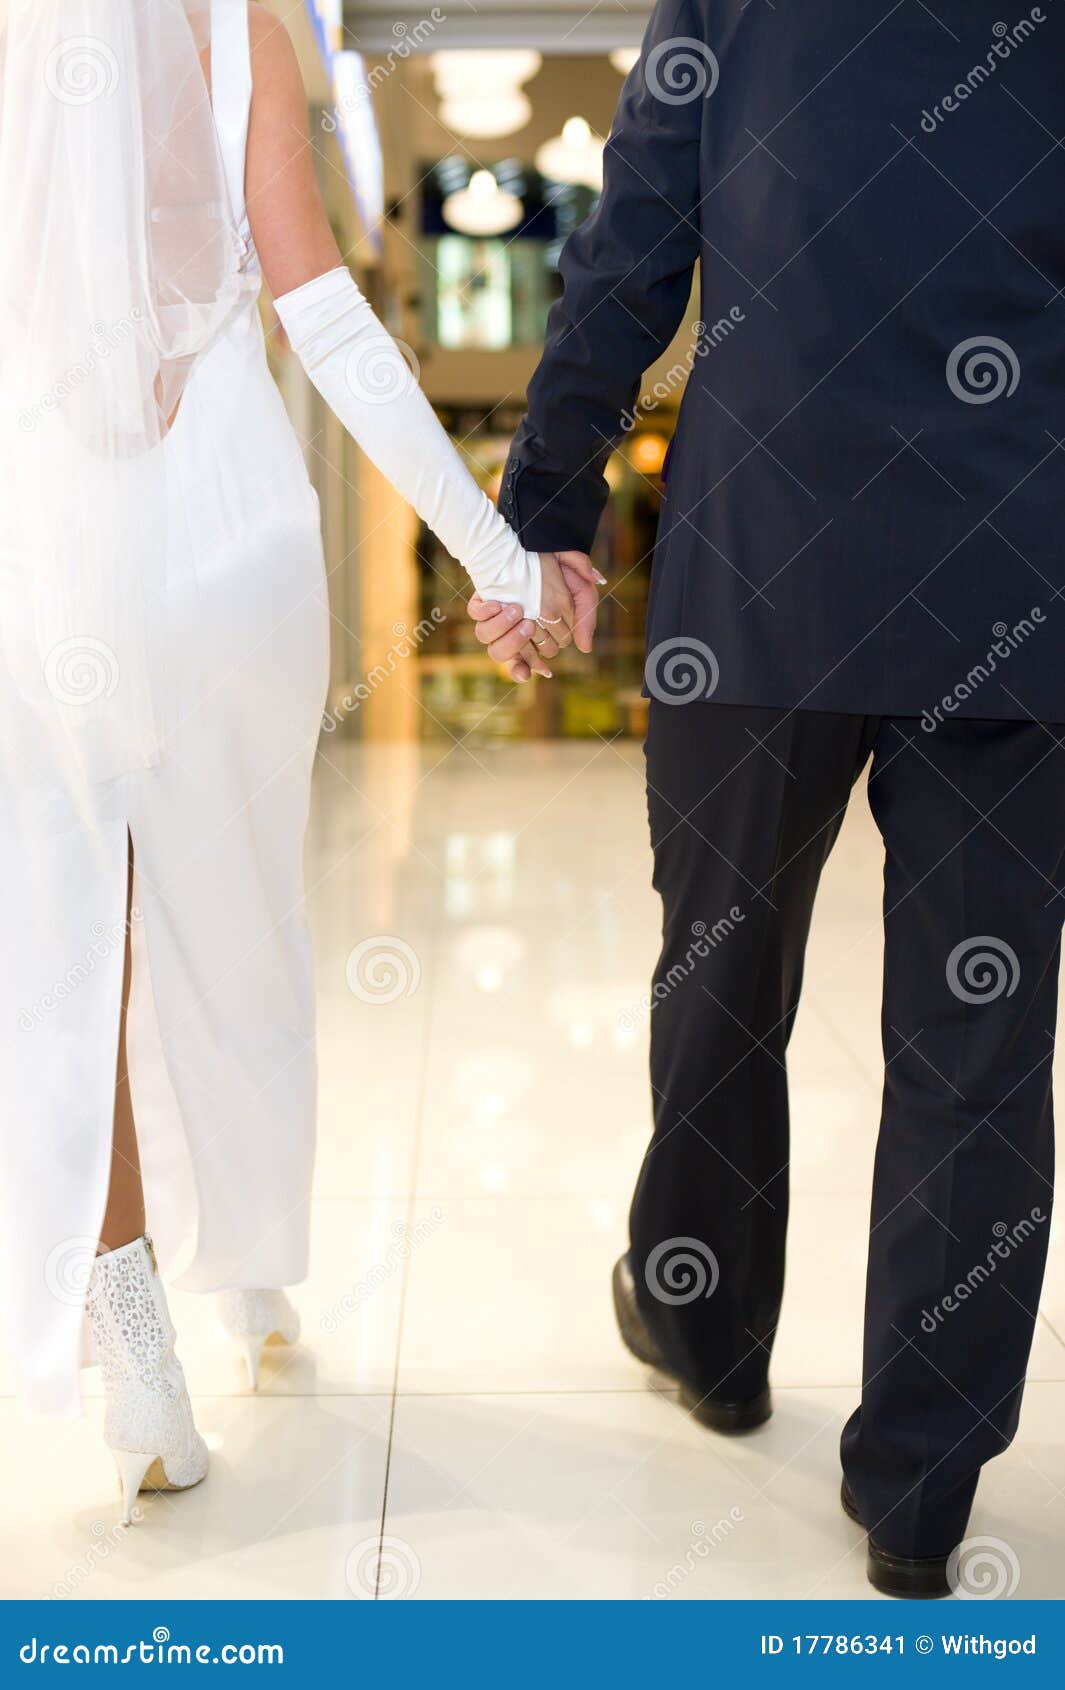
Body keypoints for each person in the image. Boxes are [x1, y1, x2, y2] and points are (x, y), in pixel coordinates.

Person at [469, 0, 1065, 1598]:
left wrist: (549, 499)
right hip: (1015, 572)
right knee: (975, 1040)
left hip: (765, 567)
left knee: (721, 980)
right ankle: (921, 1491)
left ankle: (708, 1329)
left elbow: (635, 233)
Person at [0, 0, 600, 1525]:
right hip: (225, 533)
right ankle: (254, 1266)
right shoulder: (237, 23)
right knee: (238, 920)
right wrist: (499, 554)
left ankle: (135, 1347)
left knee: (78, 940)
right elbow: (323, 311)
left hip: (47, 529)